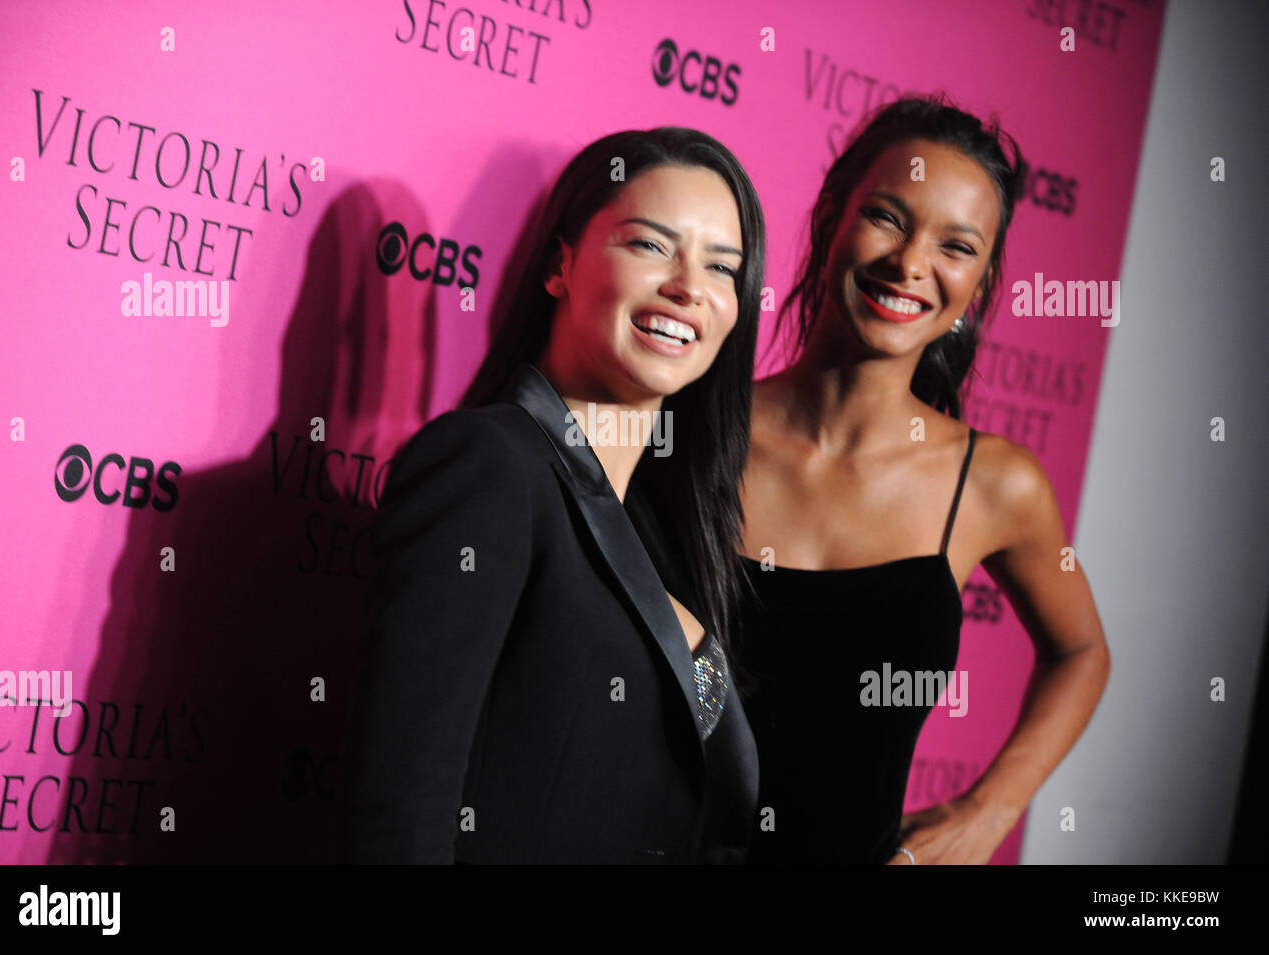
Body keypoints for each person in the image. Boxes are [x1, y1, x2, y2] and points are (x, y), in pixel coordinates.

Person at [336, 126, 766, 863]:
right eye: (650, 245)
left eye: (722, 266)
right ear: (560, 262)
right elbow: (400, 814)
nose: (688, 286)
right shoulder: (489, 467)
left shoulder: (670, 534)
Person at [732, 95, 1110, 864]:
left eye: (957, 246)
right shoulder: (696, 429)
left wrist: (987, 811)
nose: (910, 265)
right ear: (832, 211)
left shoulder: (996, 484)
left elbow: (1082, 652)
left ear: (982, 281)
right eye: (888, 217)